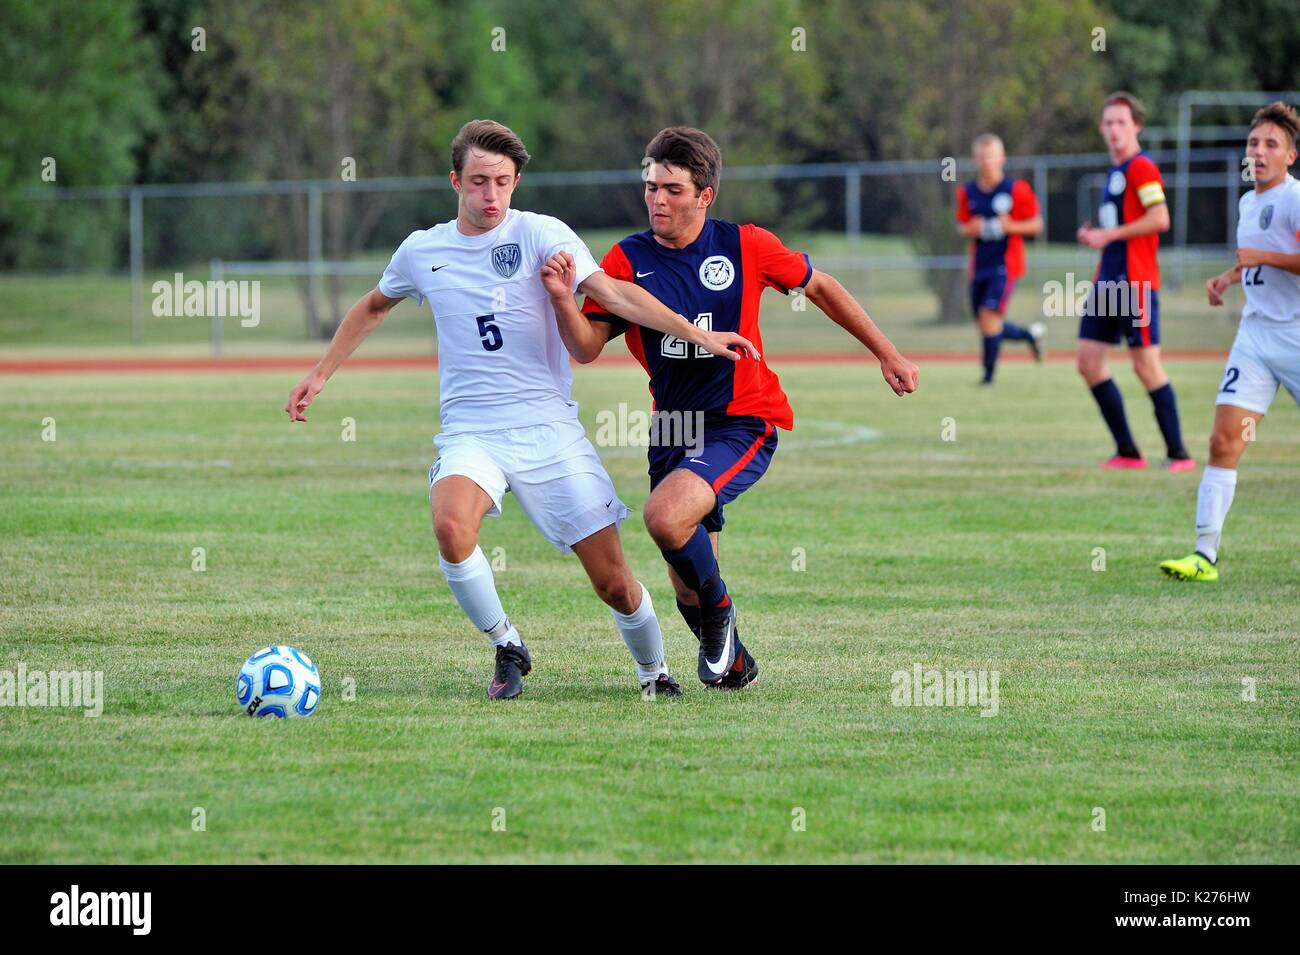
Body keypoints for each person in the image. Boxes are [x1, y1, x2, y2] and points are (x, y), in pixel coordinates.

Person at [285, 119, 758, 698]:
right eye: (480, 181)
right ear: (455, 180)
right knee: (450, 526)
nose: (492, 196)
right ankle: (506, 643)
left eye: (504, 182)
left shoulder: (542, 234)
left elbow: (613, 294)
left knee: (614, 584)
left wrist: (698, 334)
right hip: (471, 432)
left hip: (550, 431)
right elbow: (373, 306)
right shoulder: (422, 250)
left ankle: (653, 672)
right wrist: (320, 374)